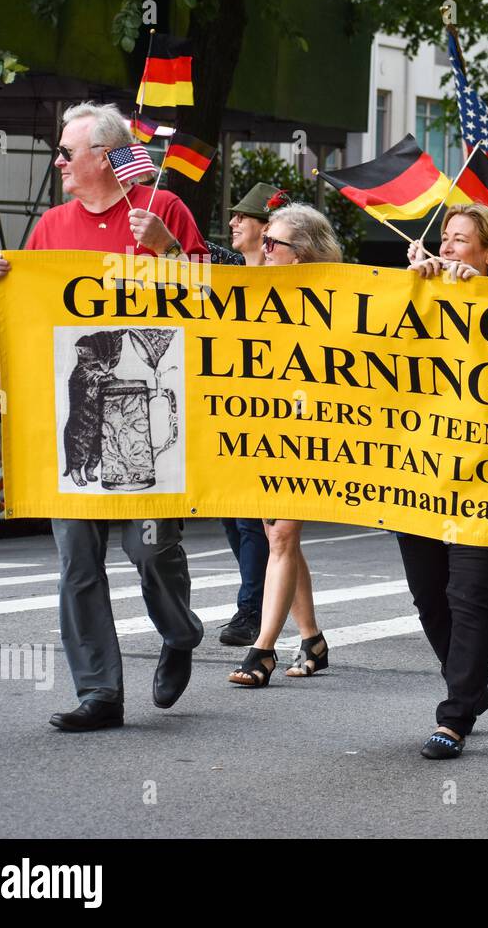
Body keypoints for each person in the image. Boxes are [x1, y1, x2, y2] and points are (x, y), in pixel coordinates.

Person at [0, 101, 207, 731]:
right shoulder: (51, 225)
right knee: (78, 559)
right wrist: (1, 278)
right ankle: (99, 691)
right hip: (72, 416)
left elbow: (216, 301)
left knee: (149, 548)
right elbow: (30, 317)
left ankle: (180, 632)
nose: (57, 162)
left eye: (66, 152)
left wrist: (168, 252)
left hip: (143, 412)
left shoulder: (162, 210)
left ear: (105, 157)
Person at [400, 203, 488, 759]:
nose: (447, 249)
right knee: (430, 598)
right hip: (421, 475)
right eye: (444, 239)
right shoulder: (422, 297)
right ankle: (470, 686)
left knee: (469, 596)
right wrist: (407, 293)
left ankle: (453, 718)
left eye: (460, 240)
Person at [227, 203, 341, 685]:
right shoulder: (252, 288)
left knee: (281, 535)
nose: (263, 246)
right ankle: (312, 638)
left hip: (310, 428)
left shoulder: (340, 298)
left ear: (302, 254)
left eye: (273, 242)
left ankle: (262, 651)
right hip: (264, 425)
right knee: (281, 537)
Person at [212, 183, 286, 646]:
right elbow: (181, 256)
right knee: (235, 514)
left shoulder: (291, 278)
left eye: (244, 216)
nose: (235, 222)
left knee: (257, 519)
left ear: (268, 229)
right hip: (229, 409)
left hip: (275, 414)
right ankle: (305, 630)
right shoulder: (227, 268)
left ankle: (251, 610)